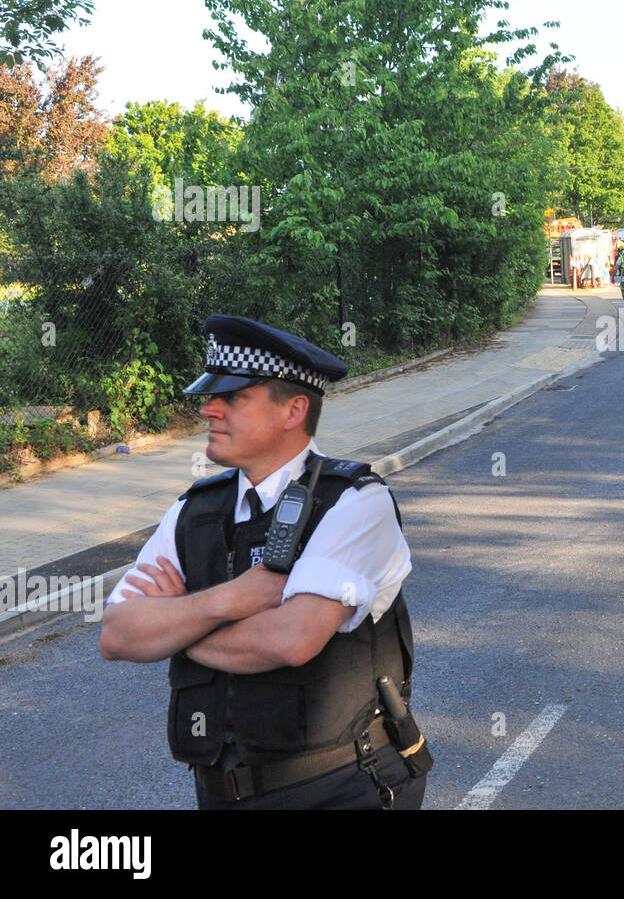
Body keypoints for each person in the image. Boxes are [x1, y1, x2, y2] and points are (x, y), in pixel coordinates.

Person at [99, 315, 431, 809]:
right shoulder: (193, 510)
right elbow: (118, 635)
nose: (209, 409)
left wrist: (177, 623)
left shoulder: (356, 503)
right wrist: (234, 598)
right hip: (220, 794)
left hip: (339, 789)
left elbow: (290, 640)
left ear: (293, 410)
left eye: (232, 398)